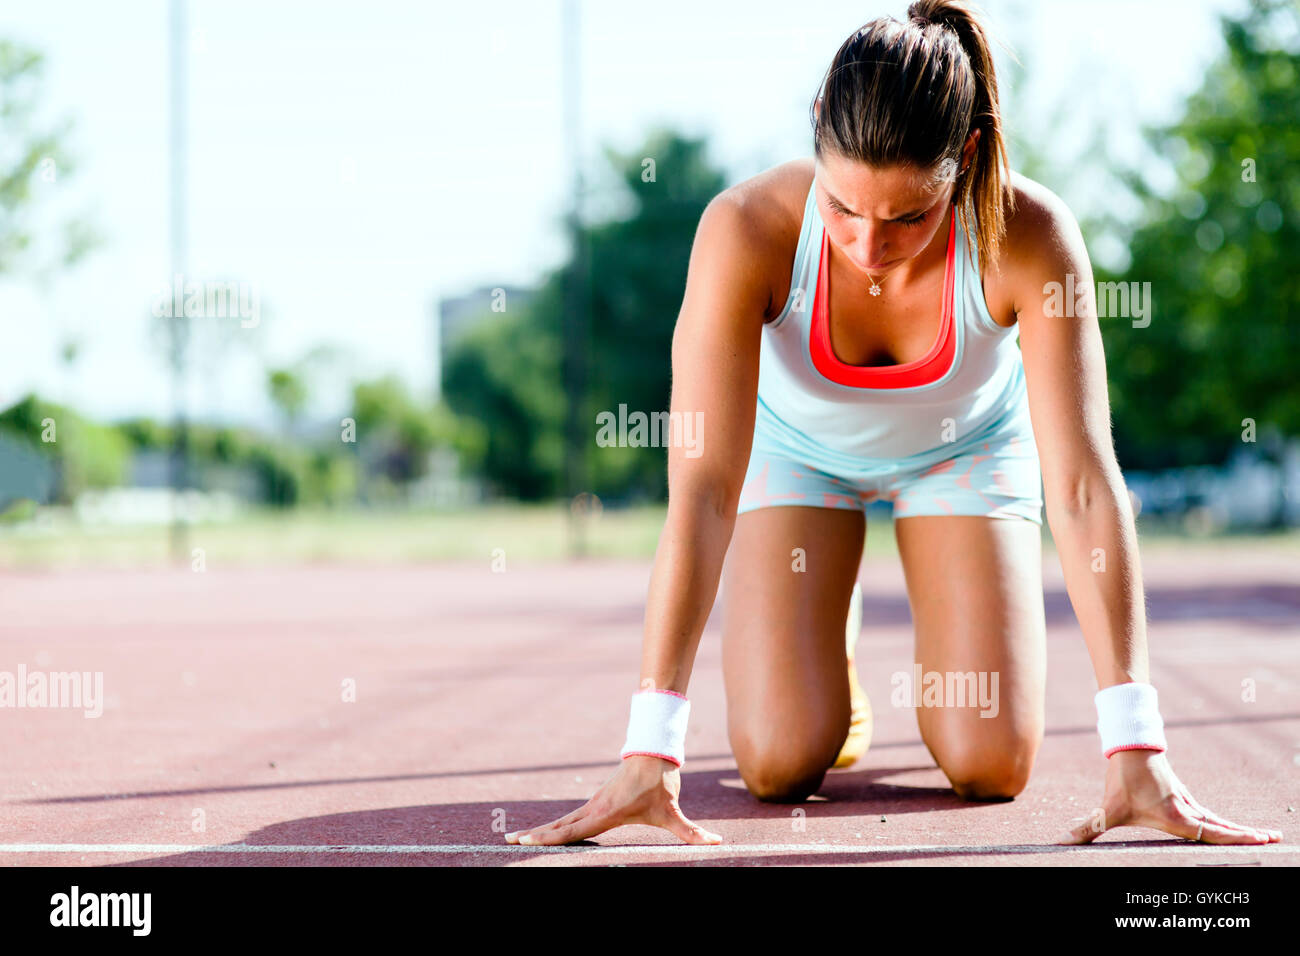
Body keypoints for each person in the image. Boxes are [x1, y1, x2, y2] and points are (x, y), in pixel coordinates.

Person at [505, 0, 1283, 848]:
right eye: (843, 207)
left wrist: (1137, 742)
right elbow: (702, 489)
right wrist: (649, 747)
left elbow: (1086, 486)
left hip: (966, 458)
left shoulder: (1030, 235)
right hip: (796, 456)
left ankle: (931, 600)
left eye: (909, 217)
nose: (868, 249)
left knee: (989, 764)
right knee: (777, 762)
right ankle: (824, 638)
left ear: (969, 159)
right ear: (814, 131)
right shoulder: (743, 230)